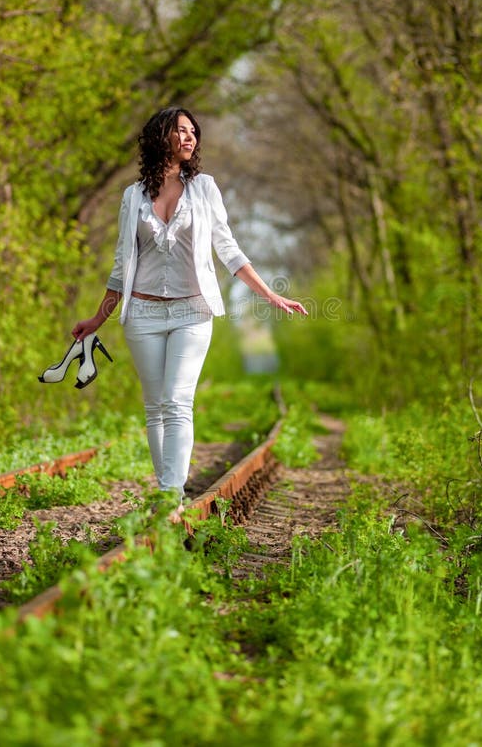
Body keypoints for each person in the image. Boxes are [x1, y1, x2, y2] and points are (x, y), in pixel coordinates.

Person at [71, 106, 307, 519]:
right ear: (159, 136)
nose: (189, 137)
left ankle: (169, 497)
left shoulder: (204, 189)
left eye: (192, 131)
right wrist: (97, 319)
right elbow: (122, 265)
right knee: (155, 405)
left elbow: (228, 249)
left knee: (178, 400)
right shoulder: (133, 196)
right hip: (142, 313)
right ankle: (167, 493)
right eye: (180, 130)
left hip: (192, 311)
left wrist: (270, 294)